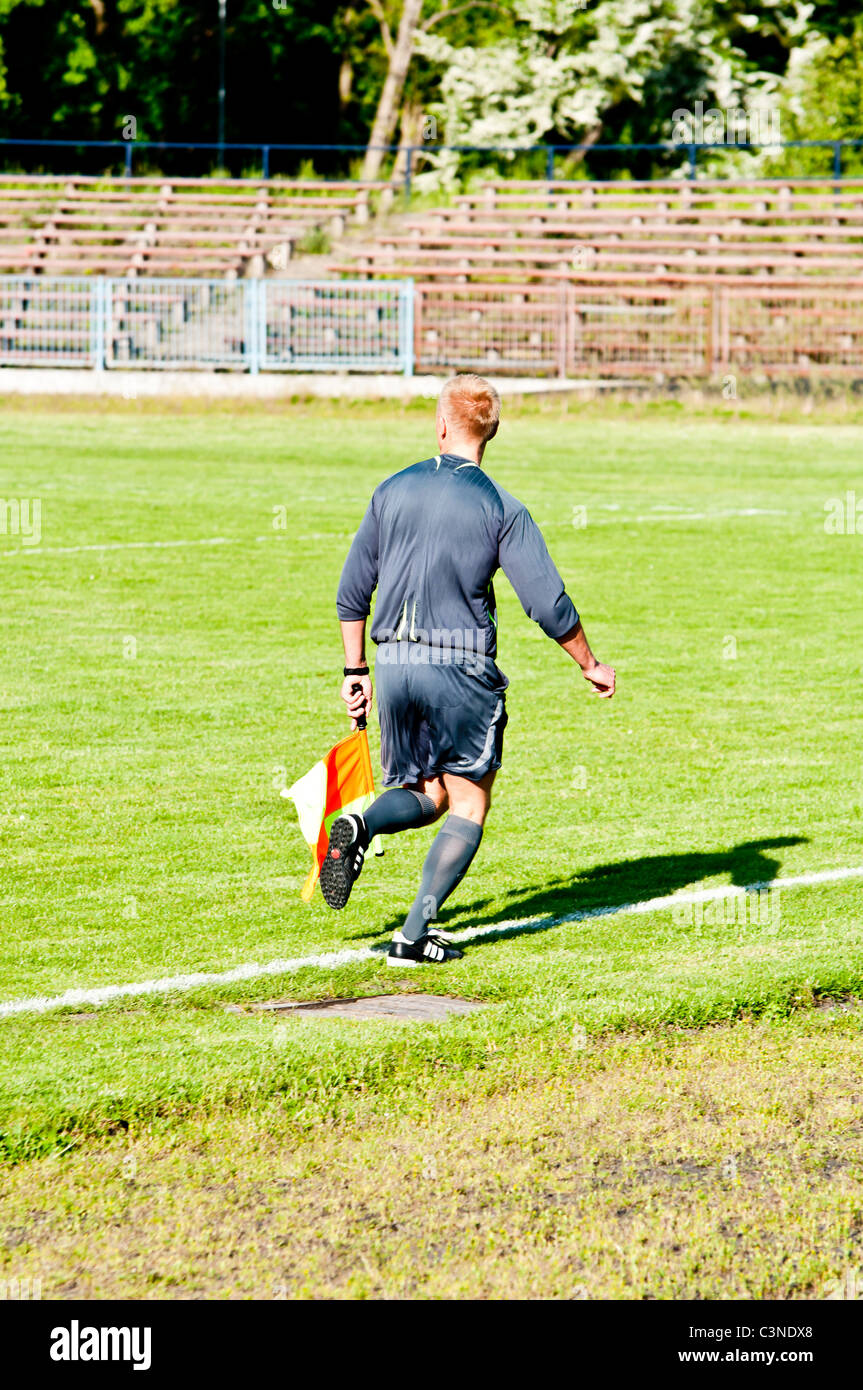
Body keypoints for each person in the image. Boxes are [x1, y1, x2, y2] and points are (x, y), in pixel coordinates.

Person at [320, 373, 616, 965]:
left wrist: (356, 672)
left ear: (440, 426)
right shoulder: (501, 506)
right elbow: (547, 603)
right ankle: (413, 933)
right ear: (493, 432)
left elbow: (352, 592)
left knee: (424, 793)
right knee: (468, 805)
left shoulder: (390, 489)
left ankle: (361, 822)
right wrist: (590, 662)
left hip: (394, 661)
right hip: (459, 668)